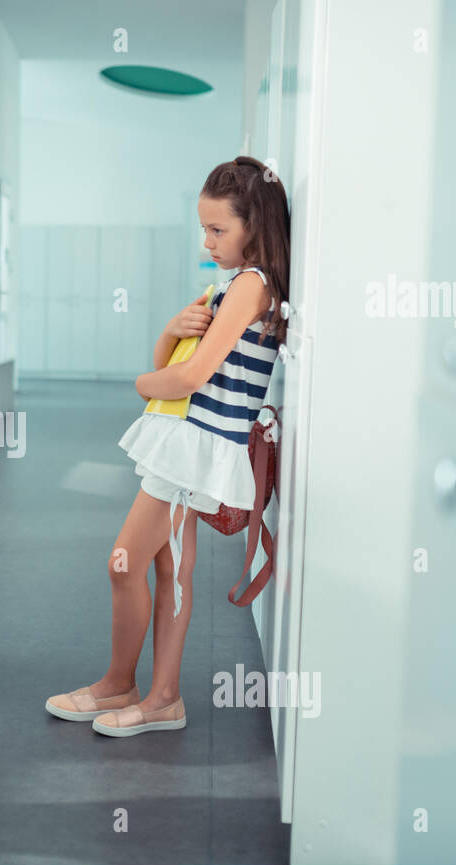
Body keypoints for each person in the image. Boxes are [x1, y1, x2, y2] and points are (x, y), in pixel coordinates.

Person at [46, 157, 290, 737]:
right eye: (203, 228)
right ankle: (160, 698)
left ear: (255, 225)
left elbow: (185, 379)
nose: (206, 240)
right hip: (189, 442)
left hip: (196, 445)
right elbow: (172, 361)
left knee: (122, 564)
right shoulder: (229, 285)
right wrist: (169, 332)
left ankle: (123, 685)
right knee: (167, 567)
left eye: (218, 230)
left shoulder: (252, 285)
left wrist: (137, 385)